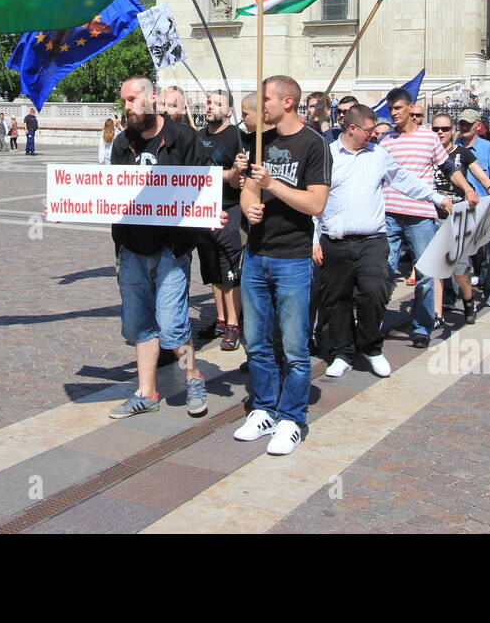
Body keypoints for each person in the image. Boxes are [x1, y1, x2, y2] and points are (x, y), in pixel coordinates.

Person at [234, 75, 330, 456]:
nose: (261, 105)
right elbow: (245, 191)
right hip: (255, 255)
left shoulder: (314, 145)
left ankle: (292, 417)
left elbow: (316, 205)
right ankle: (264, 408)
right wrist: (248, 206)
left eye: (266, 98)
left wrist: (272, 185)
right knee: (256, 342)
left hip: (292, 259)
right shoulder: (260, 141)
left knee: (293, 346)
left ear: (288, 101)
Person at [106, 77, 212, 422]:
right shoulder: (123, 143)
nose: (127, 106)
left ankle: (193, 377)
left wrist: (210, 211)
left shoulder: (183, 139)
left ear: (152, 98)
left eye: (133, 99)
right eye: (124, 101)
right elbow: (111, 192)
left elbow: (202, 186)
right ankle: (146, 392)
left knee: (172, 322)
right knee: (139, 323)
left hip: (171, 249)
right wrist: (71, 205)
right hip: (133, 248)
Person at [319, 103, 449, 377]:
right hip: (335, 239)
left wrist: (435, 197)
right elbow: (313, 198)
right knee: (337, 299)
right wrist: (313, 239)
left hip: (372, 239)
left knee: (375, 292)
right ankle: (342, 352)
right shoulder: (326, 155)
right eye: (369, 131)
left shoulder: (378, 154)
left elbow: (403, 179)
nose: (374, 135)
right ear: (352, 129)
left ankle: (370, 347)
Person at [379, 89, 478, 347]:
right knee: (385, 271)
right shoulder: (386, 140)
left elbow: (448, 168)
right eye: (391, 109)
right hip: (389, 214)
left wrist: (467, 188)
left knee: (425, 273)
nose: (394, 113)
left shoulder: (428, 138)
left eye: (398, 108)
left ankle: (422, 326)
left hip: (420, 215)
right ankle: (375, 321)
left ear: (411, 108)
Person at [428, 112, 490, 324]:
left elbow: (480, 174)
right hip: (431, 214)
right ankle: (437, 312)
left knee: (459, 269)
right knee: (434, 265)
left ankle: (467, 298)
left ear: (452, 131)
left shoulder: (462, 153)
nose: (440, 133)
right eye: (436, 129)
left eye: (445, 129)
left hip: (457, 215)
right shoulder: (426, 152)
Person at [195, 91, 245, 349]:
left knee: (229, 266)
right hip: (203, 209)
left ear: (228, 111)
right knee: (212, 267)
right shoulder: (198, 136)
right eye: (209, 102)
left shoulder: (235, 135)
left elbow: (239, 178)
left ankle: (235, 324)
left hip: (229, 207)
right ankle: (221, 319)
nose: (210, 106)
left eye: (218, 103)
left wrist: (232, 173)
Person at [456, 109, 490, 308]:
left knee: (488, 254)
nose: (464, 127)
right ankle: (457, 293)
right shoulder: (453, 148)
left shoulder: (489, 149)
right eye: (462, 123)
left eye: (468, 123)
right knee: (460, 255)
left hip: (484, 209)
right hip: (460, 209)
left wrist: (489, 191)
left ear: (478, 125)